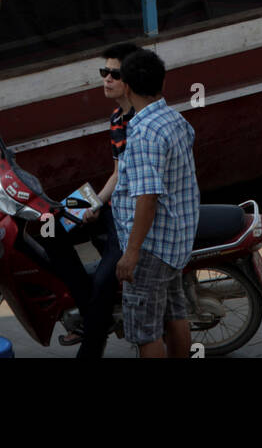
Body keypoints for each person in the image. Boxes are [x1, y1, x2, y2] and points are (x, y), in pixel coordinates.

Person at [112, 48, 199, 359]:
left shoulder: (143, 133)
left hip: (152, 247)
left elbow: (147, 199)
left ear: (128, 87)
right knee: (175, 314)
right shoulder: (175, 120)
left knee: (146, 333)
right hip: (175, 242)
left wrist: (131, 253)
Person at [59, 41, 139, 358]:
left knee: (106, 278)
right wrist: (91, 201)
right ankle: (86, 305)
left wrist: (98, 203)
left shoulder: (139, 121)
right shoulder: (117, 116)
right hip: (110, 197)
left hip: (127, 212)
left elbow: (127, 179)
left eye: (113, 74)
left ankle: (93, 332)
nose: (106, 79)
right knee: (49, 225)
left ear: (131, 79)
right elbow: (117, 170)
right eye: (104, 72)